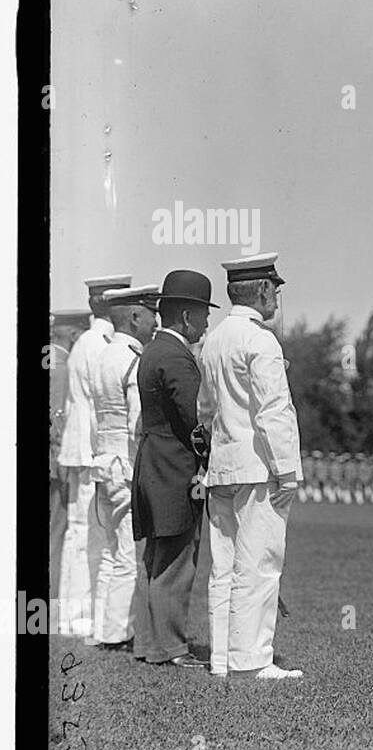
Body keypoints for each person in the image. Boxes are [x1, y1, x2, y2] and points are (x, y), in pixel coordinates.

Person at [199, 253, 303, 680]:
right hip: (259, 467)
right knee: (259, 565)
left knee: (224, 567)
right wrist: (288, 470)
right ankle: (252, 660)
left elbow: (206, 410)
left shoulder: (214, 340)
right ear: (262, 289)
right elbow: (273, 411)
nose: (276, 296)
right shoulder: (262, 341)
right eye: (274, 288)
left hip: (222, 465)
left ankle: (222, 658)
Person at [131, 270, 214, 668]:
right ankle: (172, 649)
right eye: (204, 315)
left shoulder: (152, 350)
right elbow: (196, 419)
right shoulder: (178, 358)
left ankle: (149, 643)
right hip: (175, 470)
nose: (206, 323)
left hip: (152, 464)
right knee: (176, 561)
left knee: (155, 559)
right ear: (186, 316)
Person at [57, 275, 130, 636]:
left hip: (80, 449)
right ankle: (80, 616)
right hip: (90, 451)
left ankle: (73, 615)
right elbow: (102, 405)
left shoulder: (86, 341)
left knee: (80, 533)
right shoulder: (99, 343)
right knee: (89, 536)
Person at [88, 285, 157, 649]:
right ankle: (119, 633)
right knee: (128, 556)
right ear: (134, 317)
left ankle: (104, 628)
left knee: (111, 552)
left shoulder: (102, 356)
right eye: (151, 314)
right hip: (125, 465)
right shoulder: (133, 358)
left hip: (102, 463)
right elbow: (138, 423)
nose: (155, 322)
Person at [48, 310, 89, 592]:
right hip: (54, 465)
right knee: (55, 532)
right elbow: (58, 420)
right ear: (74, 335)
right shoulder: (61, 367)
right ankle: (48, 600)